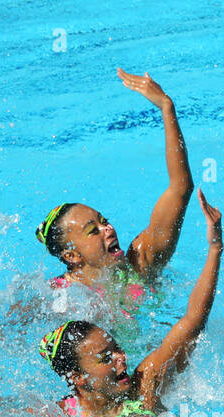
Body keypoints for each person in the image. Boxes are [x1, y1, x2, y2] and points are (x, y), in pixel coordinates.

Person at [38, 189, 221, 417]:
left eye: (117, 349)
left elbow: (192, 321)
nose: (122, 358)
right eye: (106, 357)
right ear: (78, 379)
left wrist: (214, 250)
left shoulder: (143, 389)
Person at [35, 70, 194, 312]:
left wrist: (166, 108)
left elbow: (180, 189)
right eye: (93, 230)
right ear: (71, 256)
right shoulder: (60, 298)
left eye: (104, 221)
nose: (107, 228)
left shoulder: (140, 263)